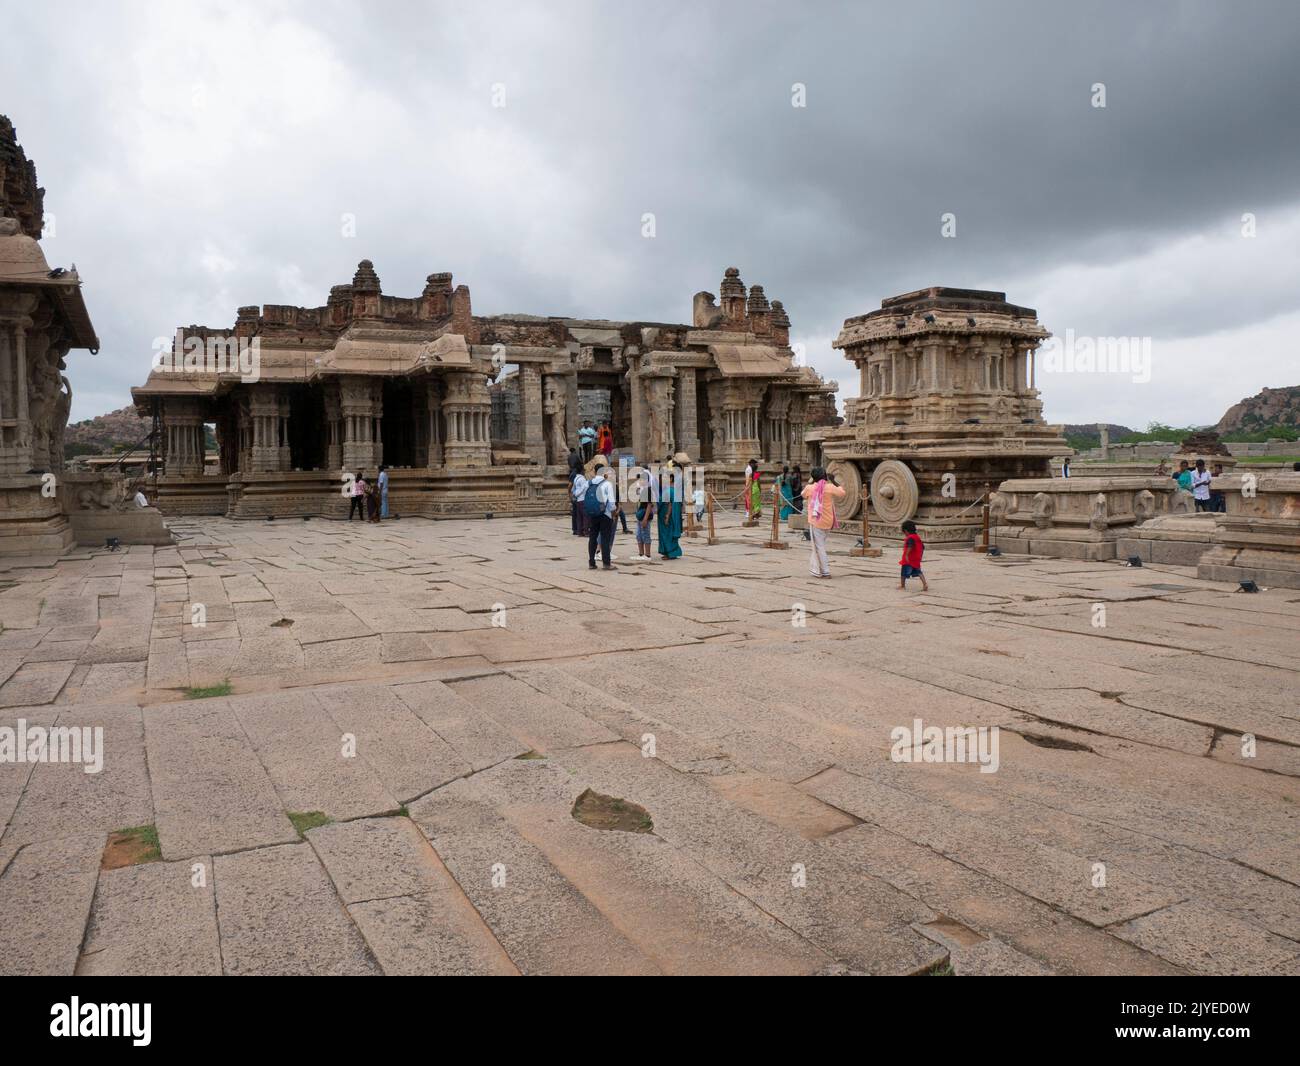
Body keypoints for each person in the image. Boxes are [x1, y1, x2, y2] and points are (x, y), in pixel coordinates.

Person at [801, 466, 844, 578]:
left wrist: (811, 480)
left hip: (816, 521)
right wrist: (833, 480)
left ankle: (825, 571)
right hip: (828, 521)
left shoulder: (810, 488)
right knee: (821, 545)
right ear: (825, 476)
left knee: (819, 547)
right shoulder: (830, 487)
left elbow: (802, 494)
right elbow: (842, 492)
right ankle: (819, 568)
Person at [584, 463, 617, 570]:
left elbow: (581, 495)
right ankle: (606, 563)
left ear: (594, 471)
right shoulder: (607, 484)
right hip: (605, 515)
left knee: (593, 537)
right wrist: (613, 514)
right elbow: (612, 504)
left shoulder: (588, 483)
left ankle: (591, 563)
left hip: (593, 514)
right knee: (605, 538)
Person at [657, 459, 684, 559]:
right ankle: (668, 552)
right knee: (667, 533)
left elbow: (669, 505)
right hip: (669, 515)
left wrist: (667, 516)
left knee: (667, 534)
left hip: (667, 516)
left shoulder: (669, 490)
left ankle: (670, 552)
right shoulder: (673, 490)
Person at [898, 520, 929, 591]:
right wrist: (920, 556)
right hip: (916, 559)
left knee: (903, 573)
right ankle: (925, 584)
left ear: (906, 531)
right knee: (919, 572)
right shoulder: (917, 537)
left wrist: (906, 555)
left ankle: (902, 586)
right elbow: (922, 547)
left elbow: (910, 546)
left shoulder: (910, 538)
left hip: (909, 559)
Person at [571, 467, 591, 537]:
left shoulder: (576, 478)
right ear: (582, 471)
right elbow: (584, 488)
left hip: (578, 500)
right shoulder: (582, 479)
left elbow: (574, 488)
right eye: (584, 470)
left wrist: (575, 494)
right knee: (585, 516)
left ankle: (580, 531)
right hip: (583, 498)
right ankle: (586, 531)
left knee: (579, 516)